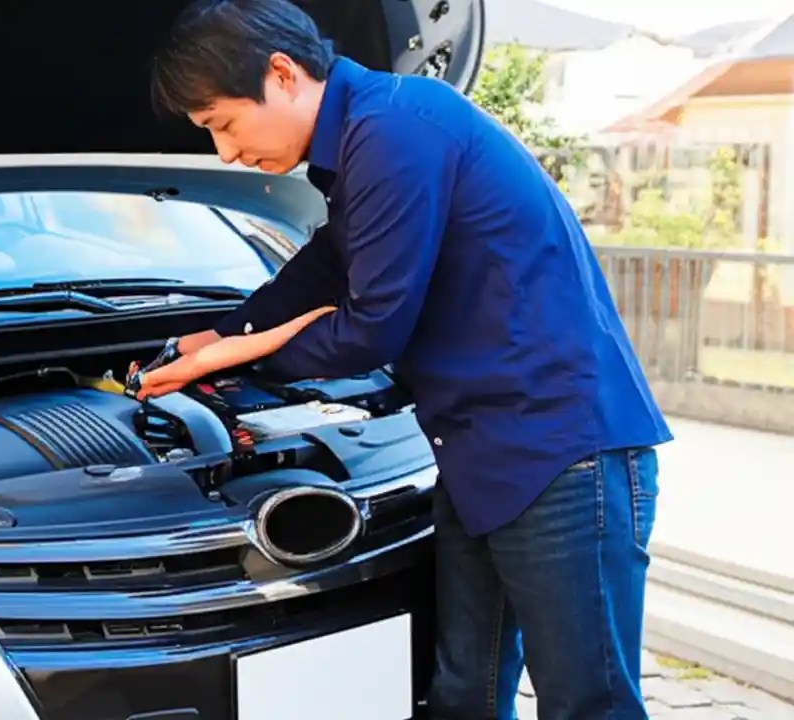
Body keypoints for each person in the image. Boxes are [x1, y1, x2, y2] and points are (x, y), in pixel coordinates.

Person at [140, 1, 674, 718]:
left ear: (282, 73)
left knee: (587, 703)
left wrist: (243, 356)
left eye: (224, 125)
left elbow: (372, 329)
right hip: (481, 451)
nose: (226, 155)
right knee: (463, 694)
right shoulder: (367, 136)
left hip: (562, 453)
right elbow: (328, 263)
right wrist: (217, 337)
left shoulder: (395, 130)